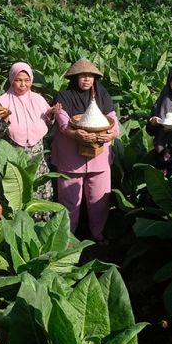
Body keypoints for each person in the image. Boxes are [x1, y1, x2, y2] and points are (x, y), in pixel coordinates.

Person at [52, 59, 119, 242]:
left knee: (99, 201)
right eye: (82, 76)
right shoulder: (63, 96)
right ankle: (67, 239)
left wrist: (111, 135)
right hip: (70, 160)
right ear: (74, 78)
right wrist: (76, 134)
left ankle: (97, 235)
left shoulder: (102, 96)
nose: (86, 80)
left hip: (99, 159)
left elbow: (114, 122)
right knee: (69, 202)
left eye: (90, 76)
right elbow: (63, 123)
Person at [0, 62, 60, 203]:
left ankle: (42, 222)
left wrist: (51, 115)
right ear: (11, 80)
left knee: (40, 187)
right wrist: (4, 120)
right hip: (15, 154)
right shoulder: (2, 101)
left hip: (38, 154)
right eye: (18, 80)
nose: (23, 84)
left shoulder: (38, 99)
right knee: (19, 190)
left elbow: (48, 124)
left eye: (26, 80)